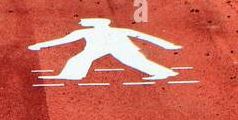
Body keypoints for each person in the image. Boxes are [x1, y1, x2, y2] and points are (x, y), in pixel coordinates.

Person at [28, 18, 182, 80]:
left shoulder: (113, 31)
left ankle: (165, 72)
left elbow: (141, 36)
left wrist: (167, 45)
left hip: (118, 47)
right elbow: (63, 40)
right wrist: (40, 45)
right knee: (80, 58)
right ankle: (71, 75)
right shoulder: (85, 32)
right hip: (100, 48)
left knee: (136, 62)